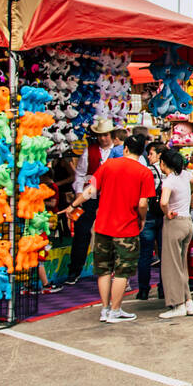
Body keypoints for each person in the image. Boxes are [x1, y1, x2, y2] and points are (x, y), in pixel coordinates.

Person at [65, 133, 157, 324]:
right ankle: (115, 310)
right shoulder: (144, 172)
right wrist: (141, 219)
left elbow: (90, 190)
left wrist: (74, 205)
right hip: (127, 228)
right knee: (122, 272)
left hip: (103, 226)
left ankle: (105, 309)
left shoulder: (108, 165)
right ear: (142, 152)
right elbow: (142, 204)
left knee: (104, 270)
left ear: (125, 149)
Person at [158, 148, 193, 319]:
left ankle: (177, 304)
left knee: (171, 266)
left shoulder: (169, 181)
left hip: (174, 223)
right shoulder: (185, 175)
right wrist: (190, 198)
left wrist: (167, 211)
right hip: (187, 222)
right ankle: (188, 301)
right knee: (182, 265)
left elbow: (164, 201)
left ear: (164, 163)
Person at [68, 119, 115, 286]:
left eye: (106, 135)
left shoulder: (117, 151)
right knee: (82, 231)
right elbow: (80, 174)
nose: (103, 138)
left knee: (111, 232)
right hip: (91, 195)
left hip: (110, 196)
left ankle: (111, 271)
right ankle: (74, 271)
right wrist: (79, 193)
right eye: (100, 135)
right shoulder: (90, 151)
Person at [135, 139, 166, 300]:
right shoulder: (170, 172)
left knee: (145, 254)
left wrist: (141, 216)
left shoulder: (147, 171)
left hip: (148, 216)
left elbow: (143, 197)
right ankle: (163, 288)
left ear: (159, 155)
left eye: (152, 153)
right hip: (164, 214)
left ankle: (143, 289)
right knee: (164, 254)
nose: (149, 156)